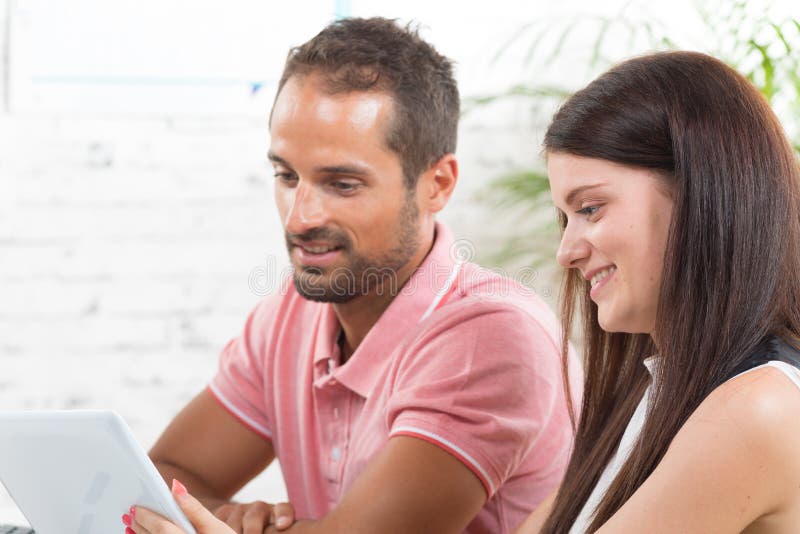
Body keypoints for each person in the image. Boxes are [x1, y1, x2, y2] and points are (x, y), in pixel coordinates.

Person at [125, 17, 581, 534]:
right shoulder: (287, 318)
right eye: (286, 175)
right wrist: (224, 516)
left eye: (342, 184)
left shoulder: (493, 336)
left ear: (437, 184)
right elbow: (158, 479)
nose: (300, 217)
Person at [516, 51, 800, 533]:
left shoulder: (757, 407)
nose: (566, 252)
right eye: (566, 219)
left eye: (590, 208)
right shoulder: (654, 390)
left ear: (700, 196)